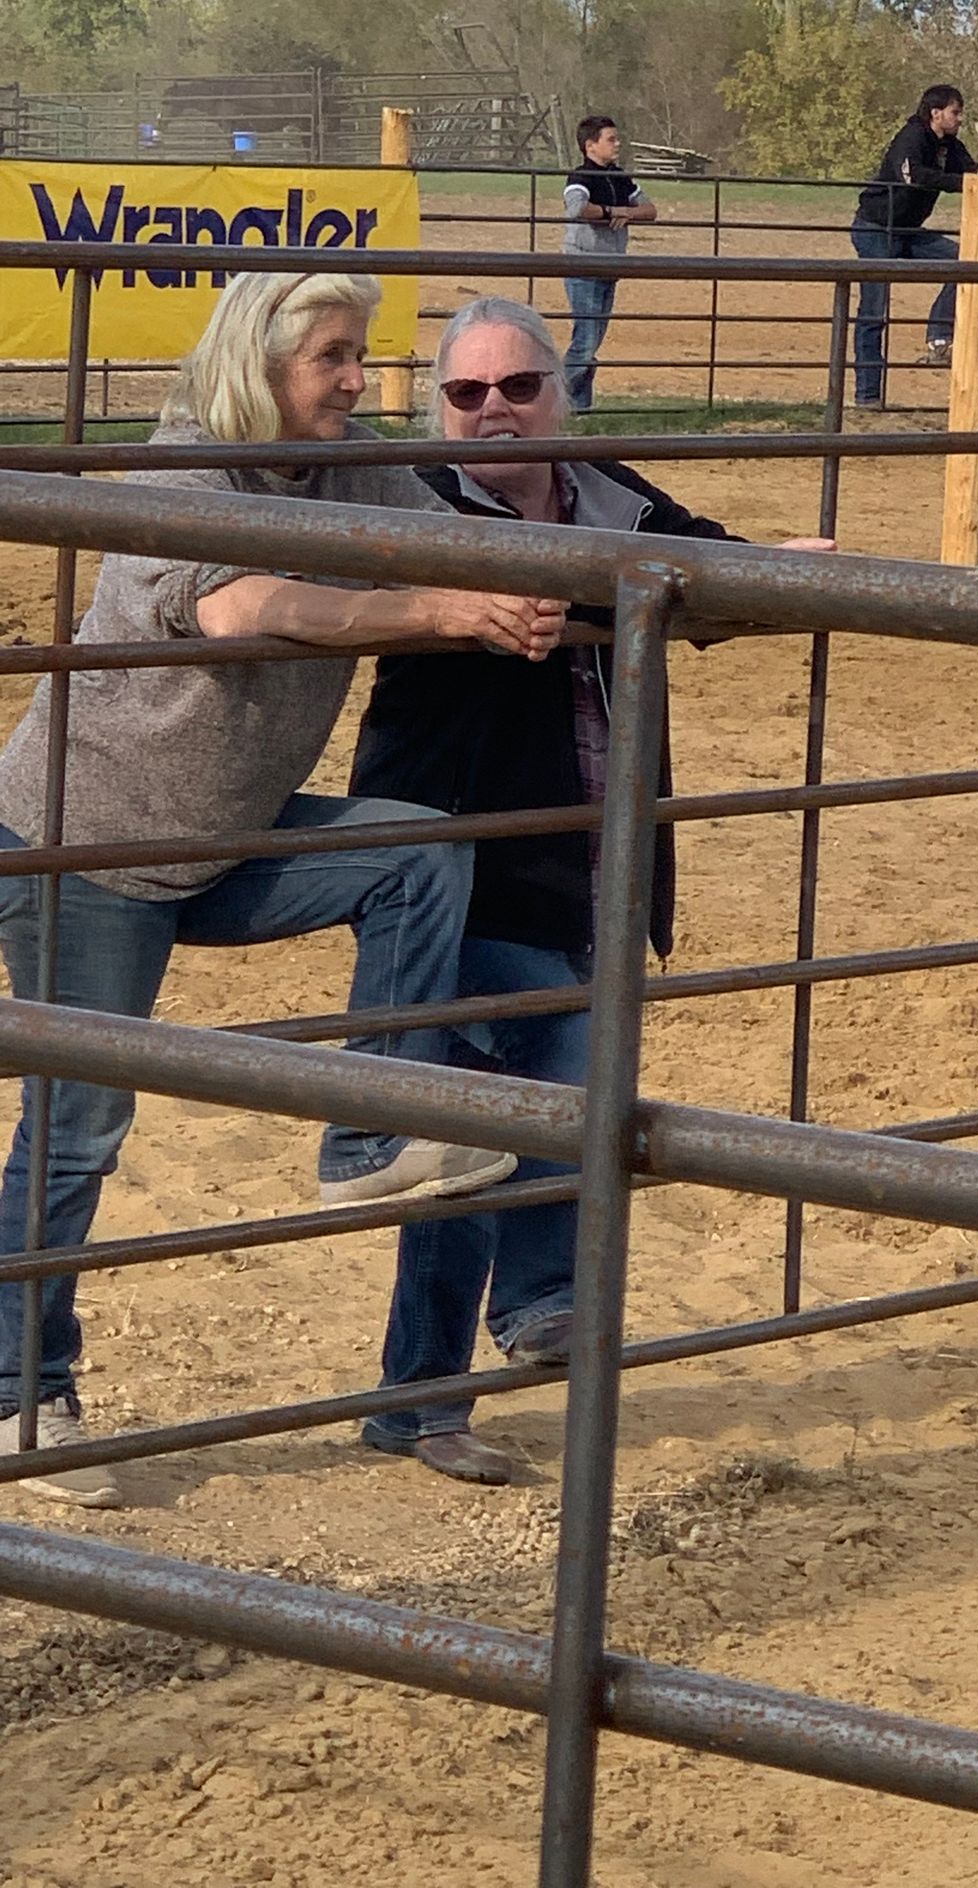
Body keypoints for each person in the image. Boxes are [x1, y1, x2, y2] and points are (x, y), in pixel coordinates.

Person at [0, 271, 567, 1505]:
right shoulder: (184, 468)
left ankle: (367, 1132)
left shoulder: (345, 462)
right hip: (93, 842)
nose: (361, 379)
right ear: (260, 361)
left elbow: (468, 523)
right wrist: (437, 608)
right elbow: (254, 604)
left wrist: (670, 561)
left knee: (417, 847)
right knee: (80, 1127)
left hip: (231, 835)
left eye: (363, 354)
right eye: (335, 358)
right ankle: (20, 1397)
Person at [351, 297, 835, 1484]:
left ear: (564, 392)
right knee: (500, 1123)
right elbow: (584, 592)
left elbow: (704, 569)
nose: (494, 412)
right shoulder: (424, 504)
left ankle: (465, 1367)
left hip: (593, 871)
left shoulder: (607, 494)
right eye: (467, 395)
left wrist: (771, 573)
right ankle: (485, 1349)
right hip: (456, 872)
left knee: (516, 1128)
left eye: (518, 387)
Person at [850, 85, 978, 410]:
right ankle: (867, 397)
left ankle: (939, 332)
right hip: (876, 229)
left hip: (908, 231)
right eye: (955, 112)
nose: (959, 119)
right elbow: (913, 175)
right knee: (874, 311)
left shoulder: (949, 145)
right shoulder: (911, 136)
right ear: (936, 113)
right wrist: (963, 184)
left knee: (966, 261)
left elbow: (974, 171)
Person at [560, 114, 658, 409]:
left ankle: (578, 407)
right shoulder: (580, 177)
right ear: (591, 146)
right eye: (611, 139)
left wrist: (624, 212)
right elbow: (576, 208)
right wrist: (611, 211)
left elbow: (650, 210)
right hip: (584, 265)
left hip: (609, 266)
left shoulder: (620, 178)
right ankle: (558, 401)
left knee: (591, 342)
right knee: (586, 342)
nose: (618, 144)